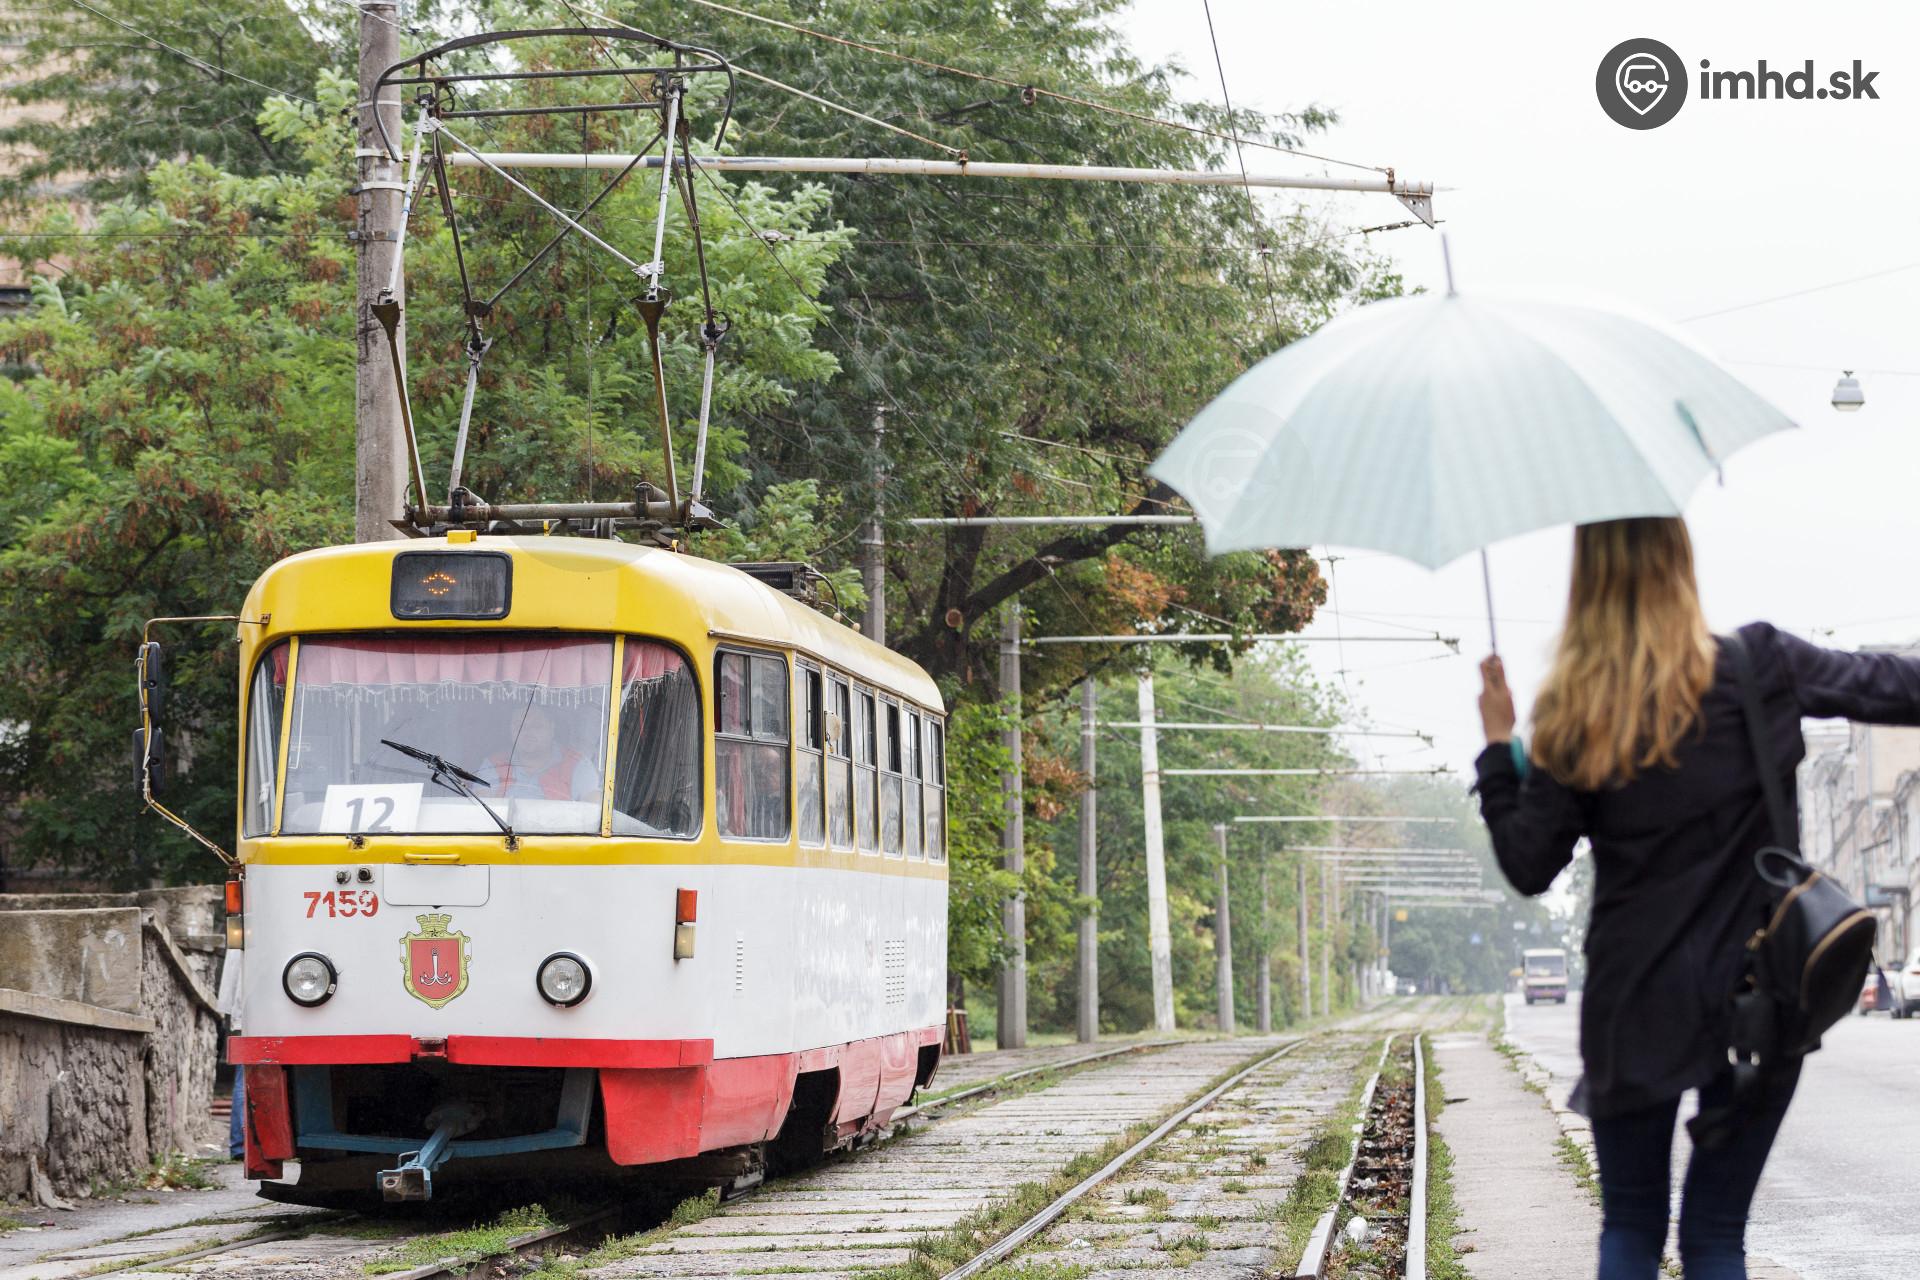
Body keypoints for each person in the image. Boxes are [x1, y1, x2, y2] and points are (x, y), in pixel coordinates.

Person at [1473, 516, 1920, 1280]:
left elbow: (1528, 864)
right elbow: (1899, 687)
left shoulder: (1576, 705)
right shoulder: (1761, 666)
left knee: (1633, 1227)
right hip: (1758, 992)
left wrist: (1497, 745)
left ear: (1588, 576)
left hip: (1632, 998)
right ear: (1681, 558)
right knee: (1715, 1235)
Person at [479, 702, 600, 802]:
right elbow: (479, 814)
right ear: (510, 729)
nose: (527, 732)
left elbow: (594, 813)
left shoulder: (577, 766)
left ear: (551, 728)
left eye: (536, 726)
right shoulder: (493, 765)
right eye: (520, 726)